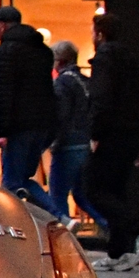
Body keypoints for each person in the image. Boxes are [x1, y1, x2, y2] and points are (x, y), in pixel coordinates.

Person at [86, 12, 139, 270]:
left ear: (100, 33)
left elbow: (101, 99)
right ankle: (118, 251)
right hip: (130, 135)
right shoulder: (130, 60)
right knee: (116, 190)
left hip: (111, 134)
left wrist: (95, 133)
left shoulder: (104, 59)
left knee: (93, 189)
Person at [0, 4, 57, 209]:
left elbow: (4, 93)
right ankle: (59, 217)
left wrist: (3, 131)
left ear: (3, 26)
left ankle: (55, 218)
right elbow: (47, 90)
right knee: (23, 179)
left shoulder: (6, 51)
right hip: (42, 124)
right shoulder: (43, 51)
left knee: (11, 183)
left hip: (18, 126)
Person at [48, 39, 93, 228]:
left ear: (59, 61)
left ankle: (65, 232)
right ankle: (111, 227)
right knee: (82, 194)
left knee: (58, 193)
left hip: (68, 145)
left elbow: (61, 115)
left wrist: (54, 142)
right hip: (85, 142)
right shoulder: (86, 81)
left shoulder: (63, 83)